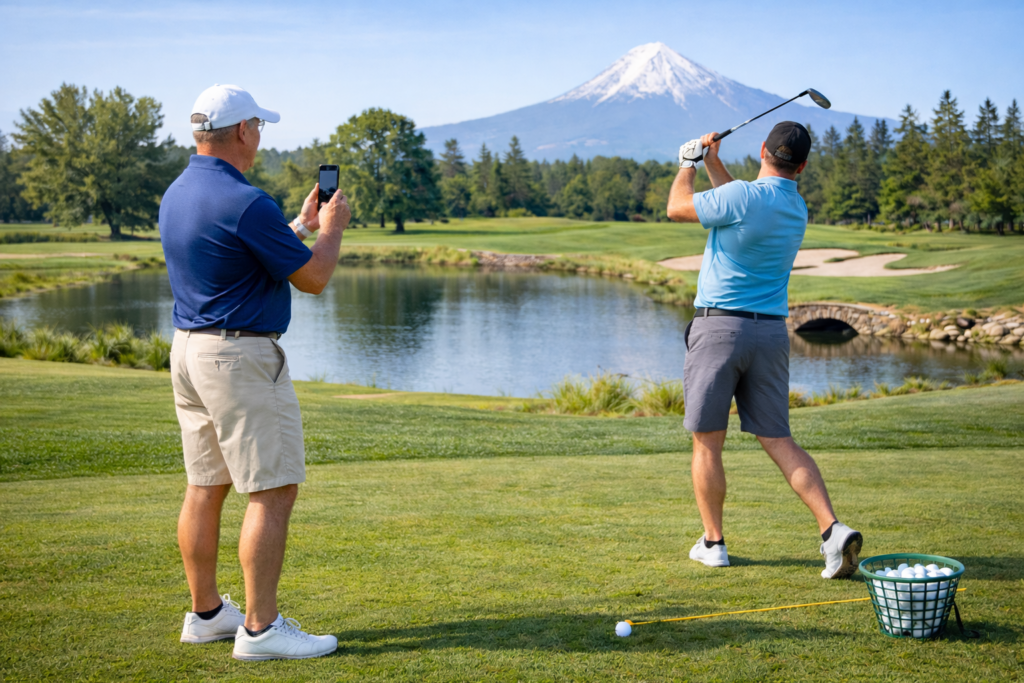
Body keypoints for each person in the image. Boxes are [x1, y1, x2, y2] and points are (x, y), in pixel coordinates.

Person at [159, 84, 350, 660]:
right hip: (238, 358)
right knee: (273, 488)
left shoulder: (179, 192)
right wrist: (333, 227)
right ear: (242, 131)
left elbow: (237, 259)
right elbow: (313, 279)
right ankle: (262, 631)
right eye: (259, 127)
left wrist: (296, 224)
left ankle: (207, 614)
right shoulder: (245, 200)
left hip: (190, 351)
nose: (261, 136)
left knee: (206, 484)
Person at [666, 122, 863, 579]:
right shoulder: (795, 207)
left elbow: (678, 208)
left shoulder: (742, 199)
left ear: (761, 150)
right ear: (803, 165)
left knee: (707, 440)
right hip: (771, 334)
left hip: (719, 330)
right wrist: (714, 161)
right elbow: (740, 201)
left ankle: (713, 543)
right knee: (778, 439)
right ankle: (832, 530)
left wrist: (688, 164)